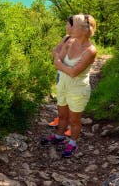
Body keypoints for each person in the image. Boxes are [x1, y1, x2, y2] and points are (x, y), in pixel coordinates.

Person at [40, 14, 97, 158]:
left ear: (84, 30)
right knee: (62, 115)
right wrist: (63, 66)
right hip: (63, 85)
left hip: (77, 89)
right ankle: (59, 136)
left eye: (74, 26)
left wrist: (61, 65)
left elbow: (73, 72)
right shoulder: (70, 42)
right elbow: (57, 61)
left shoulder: (90, 51)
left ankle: (72, 143)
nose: (70, 28)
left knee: (74, 120)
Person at [47, 15, 76, 135]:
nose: (65, 26)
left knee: (71, 100)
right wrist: (60, 58)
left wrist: (60, 58)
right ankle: (61, 119)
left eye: (67, 24)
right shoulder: (66, 38)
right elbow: (55, 51)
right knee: (61, 98)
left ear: (74, 26)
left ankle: (71, 126)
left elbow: (67, 58)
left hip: (70, 74)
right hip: (61, 72)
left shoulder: (78, 41)